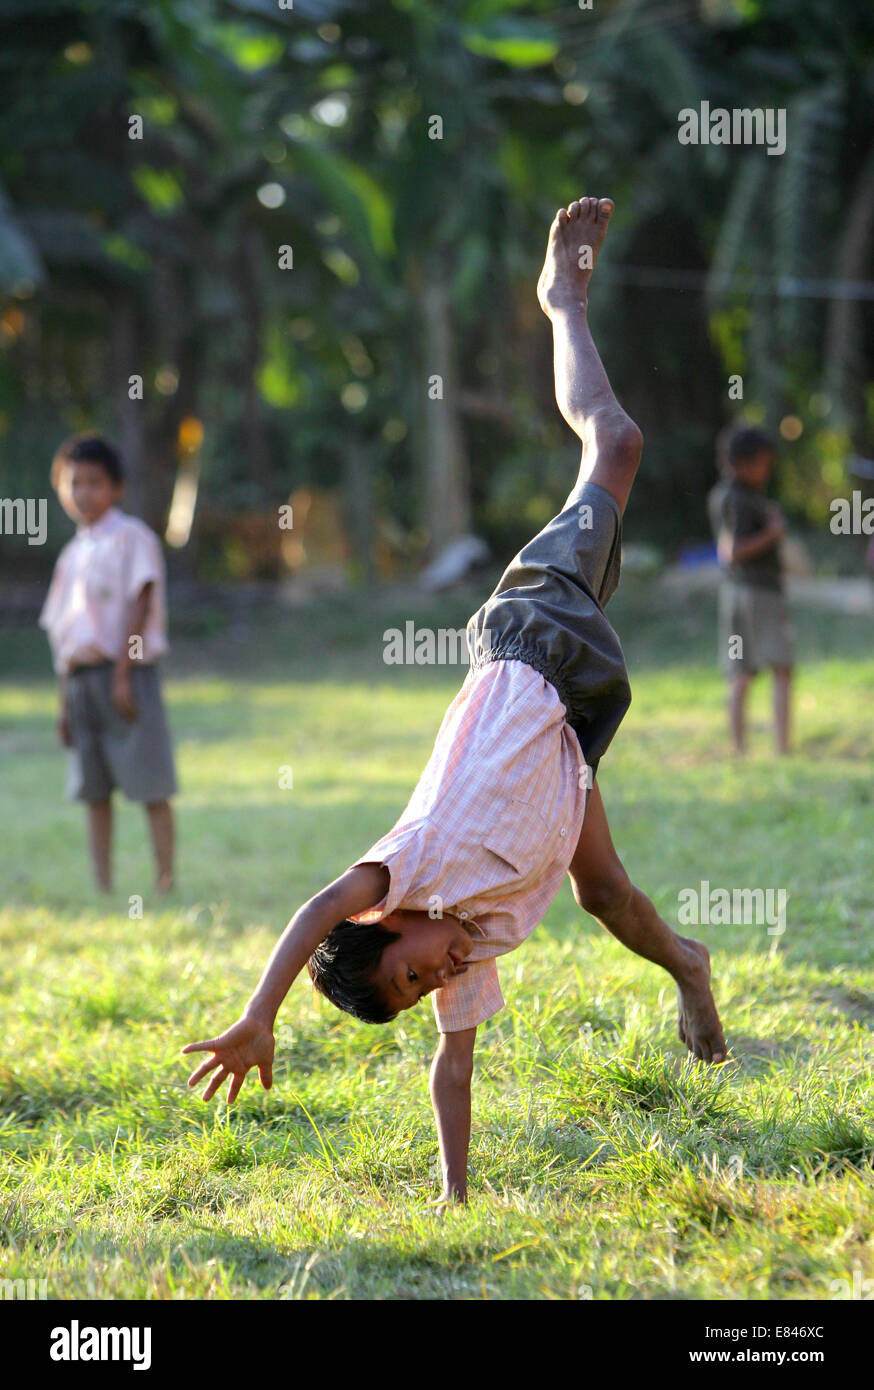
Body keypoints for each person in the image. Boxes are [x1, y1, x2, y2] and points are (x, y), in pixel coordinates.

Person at [184, 197, 727, 1205]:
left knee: (614, 440)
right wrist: (453, 1196)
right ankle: (689, 969)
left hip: (532, 645)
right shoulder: (467, 949)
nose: (431, 978)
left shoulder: (407, 865)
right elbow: (454, 1070)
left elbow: (313, 911)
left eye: (408, 970)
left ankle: (560, 301)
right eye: (418, 991)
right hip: (568, 740)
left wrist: (259, 1013)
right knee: (604, 897)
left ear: (390, 922)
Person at [40, 434, 177, 892]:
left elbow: (141, 602)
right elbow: (63, 635)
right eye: (73, 483)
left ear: (116, 487)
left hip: (128, 675)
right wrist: (63, 703)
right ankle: (104, 885)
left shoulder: (131, 537)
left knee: (150, 780)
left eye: (94, 483)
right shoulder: (71, 555)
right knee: (94, 790)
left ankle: (164, 879)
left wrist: (123, 674)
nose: (83, 493)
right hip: (81, 682)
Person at [707, 426, 794, 755]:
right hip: (760, 593)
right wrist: (772, 533)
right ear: (742, 463)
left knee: (740, 672)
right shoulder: (739, 498)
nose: (766, 470)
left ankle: (739, 749)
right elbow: (731, 551)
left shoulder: (723, 496)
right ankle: (783, 749)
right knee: (782, 667)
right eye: (763, 463)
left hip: (734, 592)